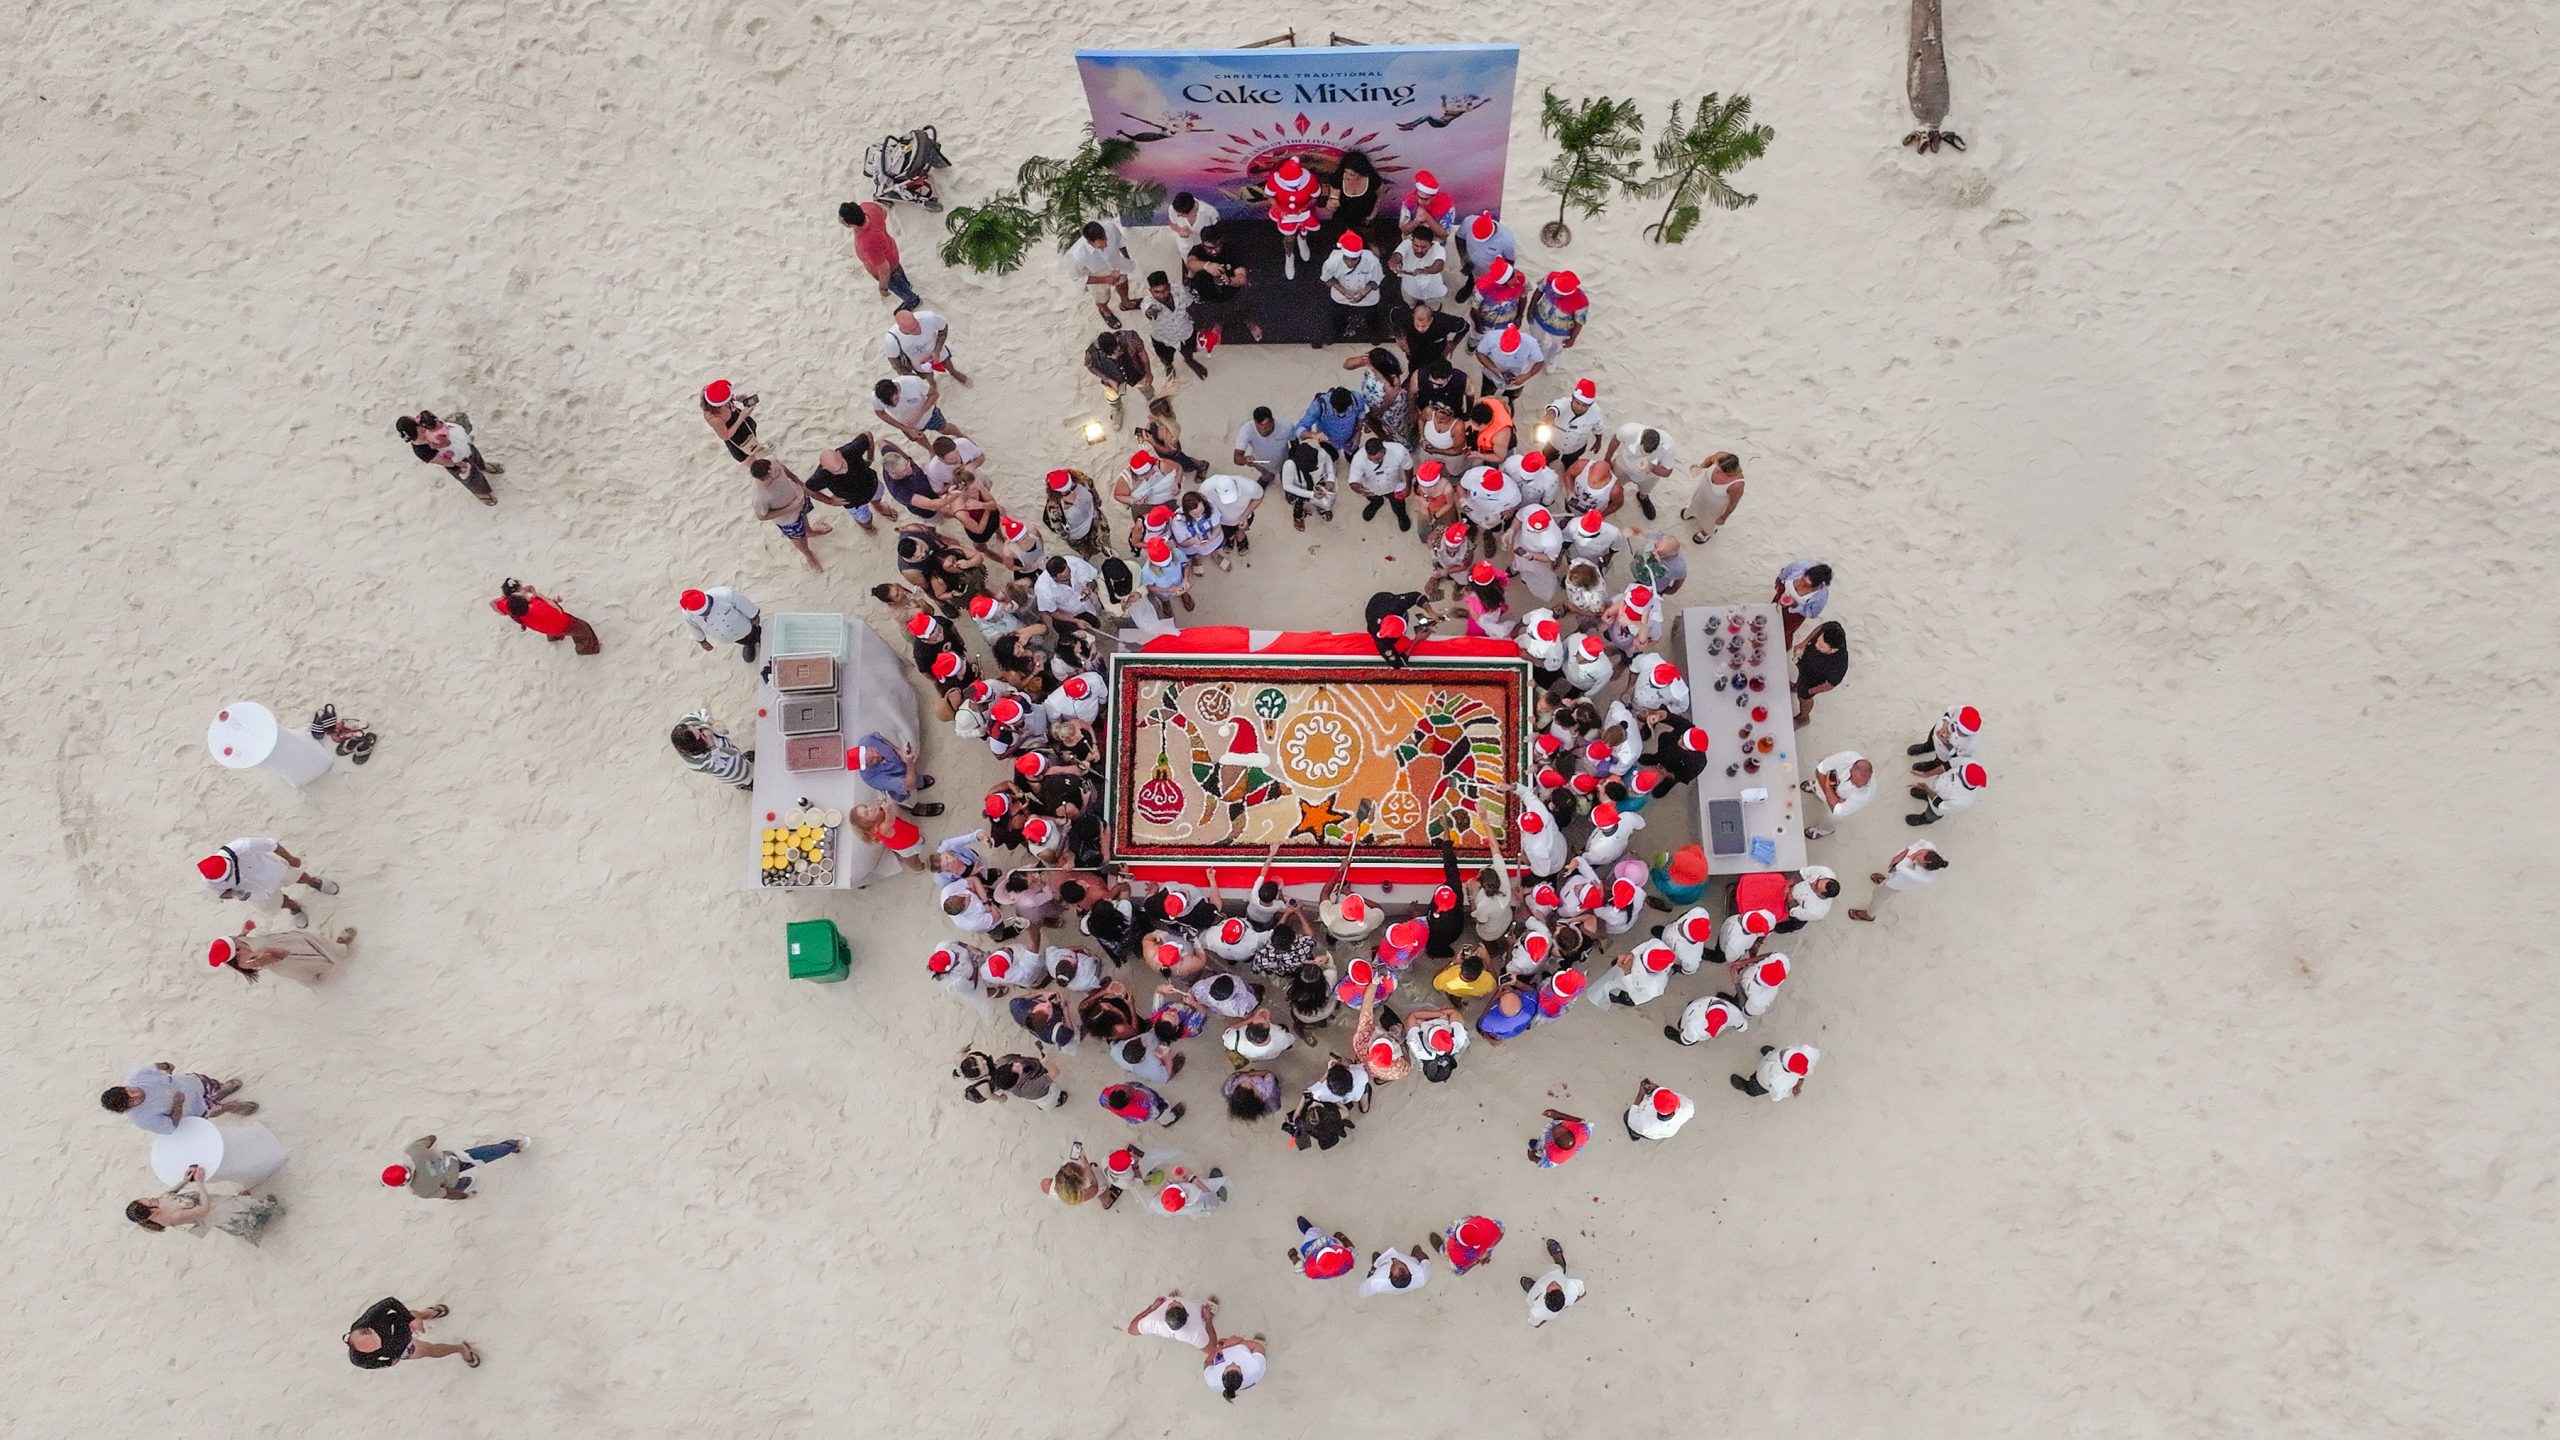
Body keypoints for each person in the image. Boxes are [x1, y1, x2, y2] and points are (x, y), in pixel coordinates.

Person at [195, 837, 338, 926]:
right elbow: (221, 893)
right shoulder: (208, 881)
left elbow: (271, 844)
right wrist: (234, 894)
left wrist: (290, 858)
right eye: (224, 879)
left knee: (298, 877)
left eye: (229, 873)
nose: (229, 877)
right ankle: (295, 908)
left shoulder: (241, 846)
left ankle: (314, 882)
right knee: (277, 903)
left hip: (272, 872)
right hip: (255, 893)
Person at [125, 1164, 283, 1244]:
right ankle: (265, 1211)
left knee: (236, 1203)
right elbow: (204, 1210)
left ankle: (246, 1203)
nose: (153, 1198)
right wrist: (200, 1183)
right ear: (152, 1213)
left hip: (199, 1202)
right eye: (150, 1202)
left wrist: (186, 1180)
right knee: (237, 1211)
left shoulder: (156, 1205)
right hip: (211, 1209)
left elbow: (169, 1194)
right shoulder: (174, 1217)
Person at [102, 1061, 255, 1132]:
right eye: (132, 1101)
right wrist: (178, 1104)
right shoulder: (142, 1119)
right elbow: (172, 1125)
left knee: (214, 1086)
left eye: (130, 1091)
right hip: (196, 1108)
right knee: (216, 1109)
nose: (137, 1095)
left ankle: (223, 1090)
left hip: (195, 1083)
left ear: (124, 1086)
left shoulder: (137, 1075)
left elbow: (162, 1066)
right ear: (127, 1109)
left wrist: (166, 1068)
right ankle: (232, 1107)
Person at [395, 408, 501, 504]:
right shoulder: (422, 451)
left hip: (462, 446)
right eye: (418, 425)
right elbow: (446, 462)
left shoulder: (425, 425)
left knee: (476, 457)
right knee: (472, 479)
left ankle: (483, 466)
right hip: (456, 463)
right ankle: (481, 493)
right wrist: (461, 464)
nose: (421, 423)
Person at [743, 457, 829, 572]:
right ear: (765, 478)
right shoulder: (759, 497)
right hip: (788, 519)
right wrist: (790, 508)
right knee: (798, 537)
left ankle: (809, 531)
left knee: (804, 517)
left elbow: (784, 468)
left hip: (798, 498)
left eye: (775, 468)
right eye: (774, 472)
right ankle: (808, 555)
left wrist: (798, 481)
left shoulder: (772, 461)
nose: (778, 471)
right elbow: (762, 516)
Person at [344, 1297, 478, 1370]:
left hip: (400, 1323)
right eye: (368, 1349)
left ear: (370, 1330)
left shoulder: (369, 1319)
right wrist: (388, 1363)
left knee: (416, 1316)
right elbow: (368, 1364)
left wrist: (411, 1320)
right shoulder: (358, 1358)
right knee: (430, 1351)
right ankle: (460, 1348)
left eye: (372, 1341)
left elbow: (389, 1302)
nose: (373, 1346)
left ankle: (428, 1313)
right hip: (400, 1347)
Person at [383, 1134, 528, 1200]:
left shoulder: (420, 1190)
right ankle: (514, 1145)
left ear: (402, 1184)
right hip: (454, 1160)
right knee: (484, 1153)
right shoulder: (412, 1151)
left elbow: (446, 1193)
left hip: (449, 1180)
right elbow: (431, 1138)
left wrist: (463, 1196)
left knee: (451, 1186)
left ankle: (465, 1183)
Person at [207, 922, 351, 986]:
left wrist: (245, 931)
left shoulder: (239, 943)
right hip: (290, 957)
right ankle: (339, 948)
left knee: (313, 948)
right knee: (316, 958)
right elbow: (282, 954)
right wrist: (265, 950)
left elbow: (241, 938)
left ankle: (315, 975)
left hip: (285, 941)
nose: (236, 938)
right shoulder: (248, 961)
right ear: (236, 950)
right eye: (234, 940)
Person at [840, 198, 922, 308]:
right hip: (891, 250)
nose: (841, 221)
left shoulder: (868, 242)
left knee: (894, 282)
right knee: (898, 272)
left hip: (886, 266)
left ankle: (912, 301)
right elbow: (883, 211)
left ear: (851, 224)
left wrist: (883, 287)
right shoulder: (867, 207)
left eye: (842, 220)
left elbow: (884, 268)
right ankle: (907, 285)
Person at [490, 579, 602, 654]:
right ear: (526, 602)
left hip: (543, 626)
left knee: (549, 628)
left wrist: (506, 597)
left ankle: (554, 638)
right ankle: (587, 649)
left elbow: (492, 603)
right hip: (562, 624)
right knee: (583, 630)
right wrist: (539, 595)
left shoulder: (508, 606)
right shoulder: (539, 607)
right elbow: (558, 610)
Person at [1066, 218, 1140, 326]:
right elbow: (1077, 278)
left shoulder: (1109, 227)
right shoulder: (1076, 255)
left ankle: (1126, 303)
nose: (1105, 245)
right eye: (1100, 245)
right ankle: (1104, 310)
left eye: (1106, 240)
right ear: (1089, 242)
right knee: (1102, 297)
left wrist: (1127, 259)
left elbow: (1120, 242)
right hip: (1097, 277)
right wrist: (1105, 280)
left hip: (1117, 265)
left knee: (1123, 284)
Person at [1318, 231, 1385, 348]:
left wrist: (1364, 293)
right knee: (1337, 316)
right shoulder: (1332, 262)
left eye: (1354, 260)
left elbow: (1376, 280)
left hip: (1368, 297)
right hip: (1341, 296)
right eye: (1347, 259)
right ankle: (1336, 332)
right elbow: (1328, 279)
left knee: (1372, 317)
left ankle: (1374, 334)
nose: (1350, 263)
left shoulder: (1372, 261)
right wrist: (1343, 291)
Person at [1138, 270, 1209, 380]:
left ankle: (1189, 361)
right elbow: (1148, 312)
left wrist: (1201, 326)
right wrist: (1151, 312)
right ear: (1150, 291)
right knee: (1165, 357)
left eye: (1164, 290)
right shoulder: (1147, 303)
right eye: (1156, 292)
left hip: (1185, 331)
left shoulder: (1180, 291)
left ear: (1169, 286)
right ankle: (1168, 366)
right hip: (1163, 338)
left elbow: (1192, 308)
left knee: (1188, 350)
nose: (1161, 295)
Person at [1849, 843, 1947, 921]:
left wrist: (1910, 855)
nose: (1915, 855)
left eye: (1917, 858)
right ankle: (1885, 880)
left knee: (1878, 895)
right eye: (1919, 853)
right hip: (1897, 873)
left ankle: (1869, 915)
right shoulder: (1929, 846)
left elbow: (1901, 867)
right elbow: (1919, 843)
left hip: (1896, 884)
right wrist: (1905, 853)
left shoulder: (1922, 877)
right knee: (1891, 875)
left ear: (1924, 866)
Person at [1265, 156, 1323, 277]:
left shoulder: (1310, 179)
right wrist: (1279, 209)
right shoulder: (1274, 179)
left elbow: (1314, 197)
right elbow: (1270, 197)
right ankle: (1289, 257)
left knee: (1304, 228)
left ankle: (1302, 240)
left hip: (1303, 210)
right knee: (1288, 237)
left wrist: (1305, 207)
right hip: (1284, 211)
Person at [669, 709, 753, 789]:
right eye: (697, 734)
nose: (699, 730)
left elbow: (700, 713)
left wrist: (710, 721)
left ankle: (743, 758)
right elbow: (719, 764)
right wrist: (712, 745)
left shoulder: (686, 724)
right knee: (743, 777)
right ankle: (744, 785)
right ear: (694, 744)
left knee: (739, 756)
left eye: (694, 728)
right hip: (730, 770)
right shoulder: (697, 763)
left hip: (730, 748)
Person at [1083, 327, 1155, 420]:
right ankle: (1116, 409)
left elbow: (1142, 354)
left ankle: (1152, 401)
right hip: (1112, 375)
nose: (1115, 355)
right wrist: (1107, 379)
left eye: (1116, 350)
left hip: (1135, 370)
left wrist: (1148, 372)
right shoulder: (1092, 354)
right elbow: (1090, 367)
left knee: (1145, 385)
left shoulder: (1130, 338)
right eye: (1110, 354)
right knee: (1111, 394)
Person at [1804, 752, 1876, 839]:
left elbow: (1838, 811)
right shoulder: (1848, 757)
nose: (1857, 786)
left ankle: (1824, 830)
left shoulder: (1867, 795)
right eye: (1855, 782)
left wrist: (1827, 787)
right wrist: (1828, 792)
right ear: (1850, 770)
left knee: (1834, 818)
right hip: (1833, 790)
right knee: (1820, 784)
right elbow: (1820, 770)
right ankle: (1816, 789)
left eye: (1861, 784)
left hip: (1841, 801)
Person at [678, 586, 760, 663]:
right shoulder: (688, 614)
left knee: (755, 632)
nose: (706, 614)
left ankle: (759, 638)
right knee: (743, 640)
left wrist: (754, 615)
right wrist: (702, 641)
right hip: (728, 636)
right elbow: (693, 627)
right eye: (702, 614)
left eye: (707, 610)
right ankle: (749, 644)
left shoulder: (725, 594)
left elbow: (743, 603)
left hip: (743, 625)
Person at [872, 373, 958, 444]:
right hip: (907, 425)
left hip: (929, 415)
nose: (895, 404)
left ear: (896, 389)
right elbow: (881, 413)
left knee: (945, 428)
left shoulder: (913, 382)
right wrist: (905, 429)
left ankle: (960, 435)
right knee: (919, 439)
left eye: (896, 399)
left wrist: (920, 413)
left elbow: (934, 395)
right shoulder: (876, 397)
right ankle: (930, 450)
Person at [1792, 619, 1850, 724]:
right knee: (1800, 677)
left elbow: (1830, 684)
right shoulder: (1833, 629)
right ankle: (1797, 686)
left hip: (1814, 679)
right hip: (1807, 662)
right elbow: (1821, 627)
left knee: (1804, 697)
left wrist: (1811, 691)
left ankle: (1804, 717)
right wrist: (1805, 642)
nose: (1816, 645)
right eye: (1818, 641)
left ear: (1832, 650)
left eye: (1821, 646)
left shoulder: (1838, 665)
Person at [1520, 1239, 1585, 1326]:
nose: (1554, 1283)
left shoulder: (1537, 1312)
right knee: (1559, 1269)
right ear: (1563, 1293)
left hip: (1542, 1284)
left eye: (1550, 1288)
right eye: (1558, 1286)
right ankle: (1560, 1261)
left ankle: (1533, 1288)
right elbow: (1581, 1291)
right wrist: (1579, 1296)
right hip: (1557, 1273)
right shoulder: (1573, 1288)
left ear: (1545, 1297)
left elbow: (1534, 1322)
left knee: (1534, 1292)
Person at [1684, 450, 1745, 544]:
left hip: (1715, 506)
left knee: (1710, 519)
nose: (1715, 470)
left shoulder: (1737, 485)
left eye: (1719, 470)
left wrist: (1723, 518)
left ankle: (1706, 532)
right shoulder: (1720, 456)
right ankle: (1692, 512)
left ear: (1729, 472)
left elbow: (1733, 504)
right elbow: (1709, 460)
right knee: (1696, 502)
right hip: (1703, 491)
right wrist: (1701, 466)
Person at [1910, 704, 1984, 777]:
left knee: (1939, 761)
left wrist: (1946, 743)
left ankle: (1932, 765)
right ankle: (1927, 747)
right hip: (1938, 729)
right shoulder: (1964, 711)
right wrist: (1944, 726)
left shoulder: (1971, 745)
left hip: (1945, 752)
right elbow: (1948, 713)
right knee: (1931, 740)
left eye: (1962, 733)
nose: (1956, 732)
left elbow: (1957, 757)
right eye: (1957, 728)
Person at [1474, 323, 1545, 400]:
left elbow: (1540, 362)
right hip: (1492, 376)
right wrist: (1494, 369)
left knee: (1513, 395)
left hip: (1518, 379)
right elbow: (1480, 353)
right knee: (1486, 394)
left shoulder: (1531, 344)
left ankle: (1510, 400)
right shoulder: (1491, 337)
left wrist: (1527, 375)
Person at [1389, 222, 1451, 308]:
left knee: (1432, 308)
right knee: (1410, 305)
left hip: (1433, 290)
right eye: (1416, 245)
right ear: (1412, 241)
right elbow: (1397, 255)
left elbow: (1439, 265)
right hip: (1409, 288)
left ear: (1431, 244)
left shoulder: (1438, 248)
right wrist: (1394, 262)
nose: (1419, 250)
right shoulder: (1406, 244)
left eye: (1423, 247)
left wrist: (1425, 271)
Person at [699, 379, 762, 462]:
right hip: (736, 437)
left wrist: (735, 397)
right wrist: (741, 418)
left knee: (752, 439)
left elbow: (722, 395)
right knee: (749, 457)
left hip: (742, 423)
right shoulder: (714, 419)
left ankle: (756, 448)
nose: (728, 402)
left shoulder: (710, 391)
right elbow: (725, 436)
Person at [1908, 761, 1988, 826]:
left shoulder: (1962, 800)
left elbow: (1940, 805)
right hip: (1935, 787)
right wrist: (1926, 775)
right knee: (1930, 793)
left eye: (1960, 774)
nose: (1959, 770)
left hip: (1936, 806)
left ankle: (1926, 819)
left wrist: (1926, 788)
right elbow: (1949, 764)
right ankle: (1927, 796)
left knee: (1931, 814)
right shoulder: (1970, 764)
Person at [1526, 269, 1588, 351]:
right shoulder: (1549, 279)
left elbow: (1579, 323)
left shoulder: (1581, 301)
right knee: (1536, 339)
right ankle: (1538, 348)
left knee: (1557, 347)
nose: (1555, 294)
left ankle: (1552, 355)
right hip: (1539, 317)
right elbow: (1539, 291)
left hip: (1560, 330)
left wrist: (1572, 339)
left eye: (1560, 293)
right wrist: (1530, 309)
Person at [1202, 1329, 1269, 1402]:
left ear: (1222, 1375)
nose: (1232, 1363)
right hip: (1251, 1363)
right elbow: (1257, 1346)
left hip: (1223, 1354)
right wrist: (1237, 1343)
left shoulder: (1212, 1380)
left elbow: (1207, 1362)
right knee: (1257, 1346)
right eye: (1238, 1366)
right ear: (1242, 1375)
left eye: (1227, 1366)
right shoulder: (1256, 1366)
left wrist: (1221, 1349)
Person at [1773, 559, 1832, 642]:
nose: (1801, 584)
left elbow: (1812, 614)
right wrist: (1778, 585)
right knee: (1770, 617)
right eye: (1802, 579)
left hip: (1795, 615)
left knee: (1783, 632)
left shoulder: (1820, 598)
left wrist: (1795, 605)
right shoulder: (1799, 566)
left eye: (1807, 585)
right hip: (1781, 596)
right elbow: (1783, 574)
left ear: (1816, 586)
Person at [1734, 1044, 1821, 1099]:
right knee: (1773, 1054)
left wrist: (1799, 1081)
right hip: (1773, 1065)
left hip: (1763, 1079)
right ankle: (1770, 1053)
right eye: (1785, 1051)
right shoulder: (1806, 1053)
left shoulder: (1778, 1081)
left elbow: (1776, 1095)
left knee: (1755, 1087)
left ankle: (1748, 1087)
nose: (1783, 1051)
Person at [1128, 1292, 1213, 1347]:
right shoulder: (1196, 1334)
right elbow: (1212, 1349)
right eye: (1179, 1303)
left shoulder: (1152, 1322)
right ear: (1187, 1314)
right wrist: (1208, 1320)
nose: (1174, 1300)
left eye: (1170, 1304)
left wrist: (1152, 1308)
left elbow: (1131, 1330)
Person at [1232, 406, 1290, 483]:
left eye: (1266, 425)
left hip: (1283, 459)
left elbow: (1295, 443)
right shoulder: (1246, 430)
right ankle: (1267, 478)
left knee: (1286, 477)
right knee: (1266, 476)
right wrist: (1246, 460)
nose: (1263, 429)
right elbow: (1237, 458)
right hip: (1262, 462)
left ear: (1272, 421)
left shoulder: (1286, 427)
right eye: (1259, 425)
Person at [1668, 993, 1749, 1047]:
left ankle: (1677, 1037)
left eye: (1716, 1003)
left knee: (1685, 1035)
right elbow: (1742, 1026)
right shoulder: (1733, 1012)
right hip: (1701, 1025)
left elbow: (1688, 1038)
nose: (1721, 1000)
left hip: (1691, 1016)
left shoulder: (1695, 1026)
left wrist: (1684, 1037)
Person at [1289, 1216, 1358, 1279]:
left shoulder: (1310, 1268)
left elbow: (1299, 1267)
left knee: (1313, 1232)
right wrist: (1342, 1238)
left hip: (1311, 1244)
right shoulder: (1347, 1260)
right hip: (1332, 1242)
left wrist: (1292, 1255)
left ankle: (1308, 1230)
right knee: (1332, 1240)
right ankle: (1333, 1238)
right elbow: (1352, 1249)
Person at [1626, 1078, 1695, 1140]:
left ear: (1655, 1106)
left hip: (1647, 1131)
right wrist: (1656, 1087)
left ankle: (1634, 1135)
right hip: (1668, 1132)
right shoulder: (1687, 1106)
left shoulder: (1644, 1124)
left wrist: (1641, 1094)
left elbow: (1632, 1121)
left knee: (1630, 1121)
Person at [1360, 1245, 1433, 1298]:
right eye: (1402, 1264)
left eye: (1394, 1264)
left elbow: (1363, 1292)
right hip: (1410, 1260)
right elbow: (1426, 1261)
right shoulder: (1422, 1275)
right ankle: (1414, 1255)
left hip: (1384, 1263)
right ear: (1410, 1273)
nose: (1396, 1261)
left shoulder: (1375, 1281)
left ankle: (1379, 1259)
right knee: (1414, 1260)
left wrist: (1373, 1269)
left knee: (1380, 1261)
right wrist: (1420, 1255)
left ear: (1389, 1275)